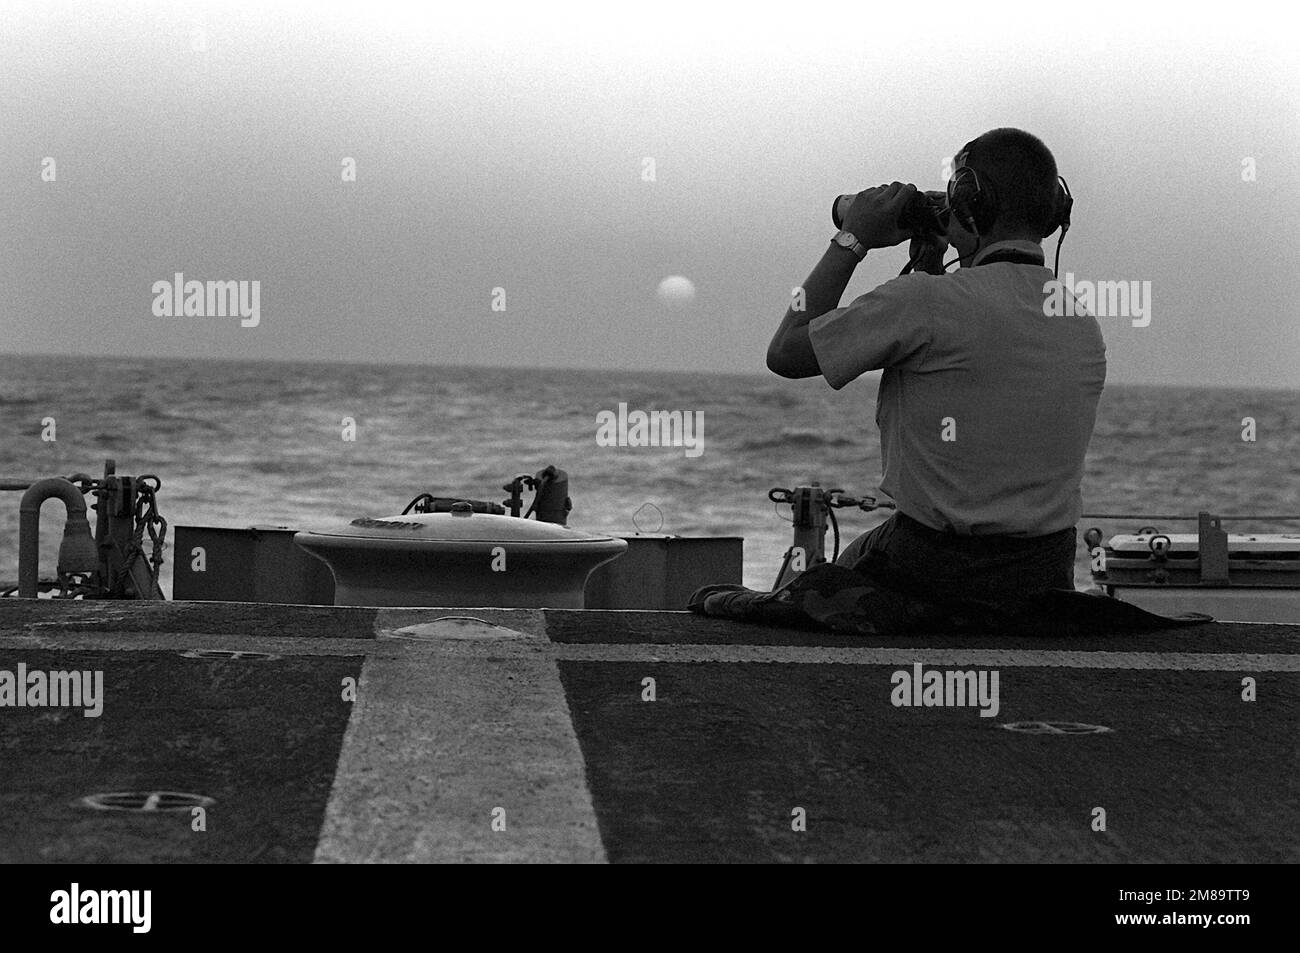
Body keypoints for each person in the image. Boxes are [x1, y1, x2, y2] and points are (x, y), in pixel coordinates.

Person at [759, 128, 1107, 625]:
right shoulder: (1079, 322)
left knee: (805, 590)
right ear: (1053, 210)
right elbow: (962, 343)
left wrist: (851, 238)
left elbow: (786, 351)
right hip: (1041, 580)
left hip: (927, 569)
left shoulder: (922, 304)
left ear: (968, 200)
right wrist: (927, 260)